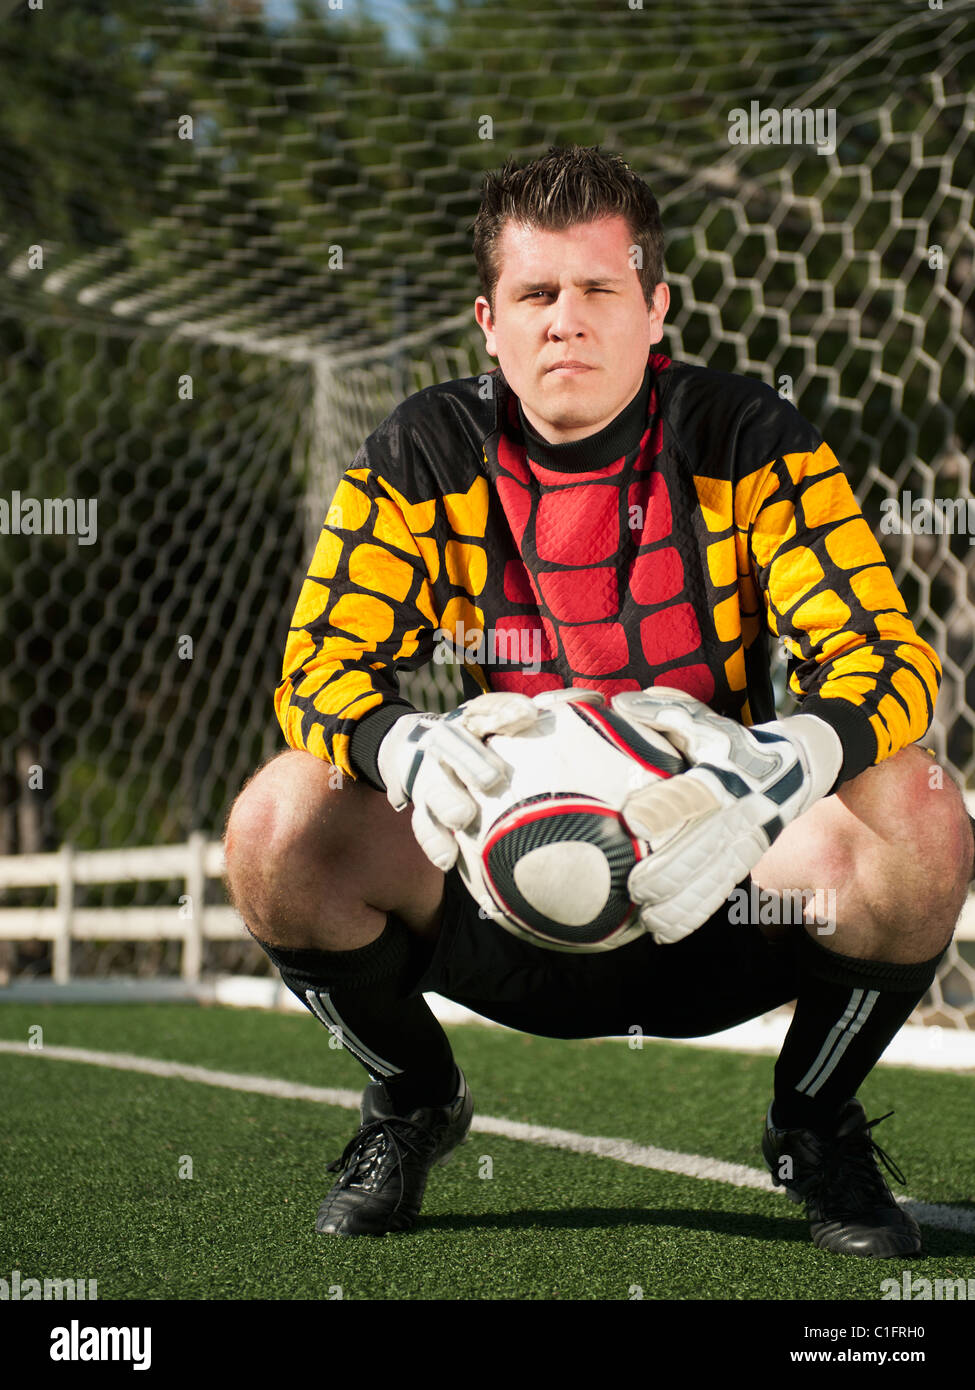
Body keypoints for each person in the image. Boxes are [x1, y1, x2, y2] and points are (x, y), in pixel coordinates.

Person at [223, 145, 974, 1256]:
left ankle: (814, 1125)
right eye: (535, 294)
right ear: (489, 320)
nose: (564, 321)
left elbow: (888, 658)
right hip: (497, 901)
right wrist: (401, 749)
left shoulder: (750, 437)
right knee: (278, 819)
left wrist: (787, 759)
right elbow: (315, 672)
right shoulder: (425, 452)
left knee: (920, 802)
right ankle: (413, 1098)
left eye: (597, 290)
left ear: (655, 306)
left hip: (716, 888)